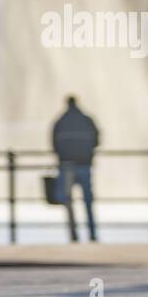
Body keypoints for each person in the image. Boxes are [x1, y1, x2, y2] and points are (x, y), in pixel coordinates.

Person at [50, 96, 99, 242]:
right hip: (84, 164)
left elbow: (53, 143)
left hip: (67, 165)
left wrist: (61, 157)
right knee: (88, 201)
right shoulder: (87, 120)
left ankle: (73, 233)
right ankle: (92, 232)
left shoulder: (60, 121)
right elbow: (97, 139)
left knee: (68, 200)